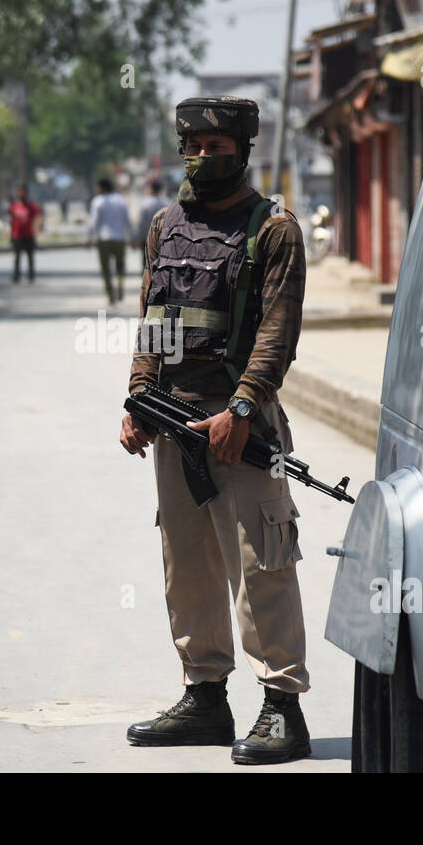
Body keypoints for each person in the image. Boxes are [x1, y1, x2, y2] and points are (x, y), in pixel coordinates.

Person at [119, 96, 311, 765]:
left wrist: (244, 408)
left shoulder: (274, 229)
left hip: (239, 426)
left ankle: (282, 706)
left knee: (262, 563)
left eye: (216, 146)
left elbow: (276, 333)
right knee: (189, 565)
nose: (203, 156)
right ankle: (204, 697)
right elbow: (154, 315)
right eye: (193, 145)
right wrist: (139, 397)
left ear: (243, 149)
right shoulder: (166, 225)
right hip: (175, 425)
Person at [87, 177, 132, 304]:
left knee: (106, 269)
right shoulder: (120, 200)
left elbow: (94, 222)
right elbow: (127, 220)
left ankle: (110, 293)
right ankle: (120, 285)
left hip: (104, 239)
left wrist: (88, 238)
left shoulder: (98, 201)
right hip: (119, 238)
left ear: (102, 187)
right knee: (120, 266)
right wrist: (133, 237)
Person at [8, 184, 42, 283]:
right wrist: (10, 234)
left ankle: (31, 275)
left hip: (28, 235)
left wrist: (38, 227)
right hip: (17, 235)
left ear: (26, 193)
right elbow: (11, 220)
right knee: (17, 257)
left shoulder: (31, 206)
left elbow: (38, 216)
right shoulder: (14, 206)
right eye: (20, 191)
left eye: (23, 192)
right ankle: (16, 275)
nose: (21, 194)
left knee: (30, 257)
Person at [135, 178, 168, 272]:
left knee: (147, 264)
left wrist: (138, 238)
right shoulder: (167, 203)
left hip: (147, 239)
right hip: (163, 239)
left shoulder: (145, 204)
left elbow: (141, 223)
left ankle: (147, 284)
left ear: (151, 189)